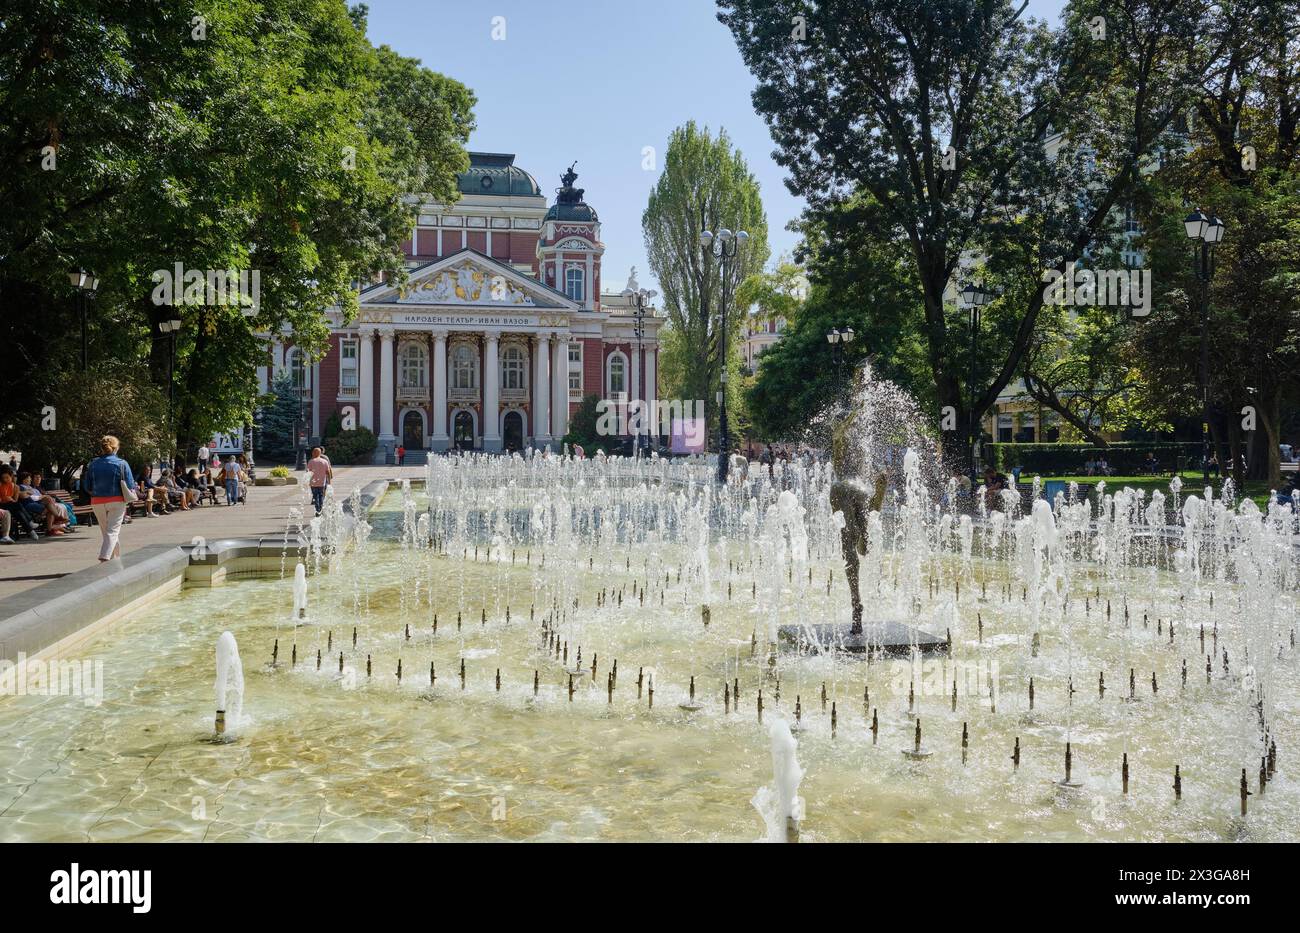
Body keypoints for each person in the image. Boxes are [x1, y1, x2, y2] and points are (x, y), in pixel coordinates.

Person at [84, 435, 137, 562]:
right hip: (117, 501)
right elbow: (130, 484)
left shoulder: (93, 464)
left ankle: (116, 559)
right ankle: (105, 556)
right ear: (116, 448)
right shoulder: (122, 463)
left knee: (107, 533)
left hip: (97, 501)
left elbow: (87, 485)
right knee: (112, 532)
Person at [0, 466, 39, 540]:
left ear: (11, 476)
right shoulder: (0, 485)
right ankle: (30, 527)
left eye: (7, 477)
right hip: (1, 505)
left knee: (18, 512)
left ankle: (30, 529)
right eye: (3, 478)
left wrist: (10, 498)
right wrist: (4, 499)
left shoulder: (15, 487)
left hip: (10, 506)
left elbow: (15, 500)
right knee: (17, 506)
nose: (5, 479)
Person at [306, 446, 332, 515]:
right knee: (321, 496)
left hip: (313, 483)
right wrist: (329, 481)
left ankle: (317, 510)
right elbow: (328, 472)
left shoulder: (311, 461)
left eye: (313, 452)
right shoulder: (325, 461)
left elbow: (308, 472)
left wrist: (307, 481)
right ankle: (320, 508)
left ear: (314, 453)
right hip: (322, 483)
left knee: (315, 496)